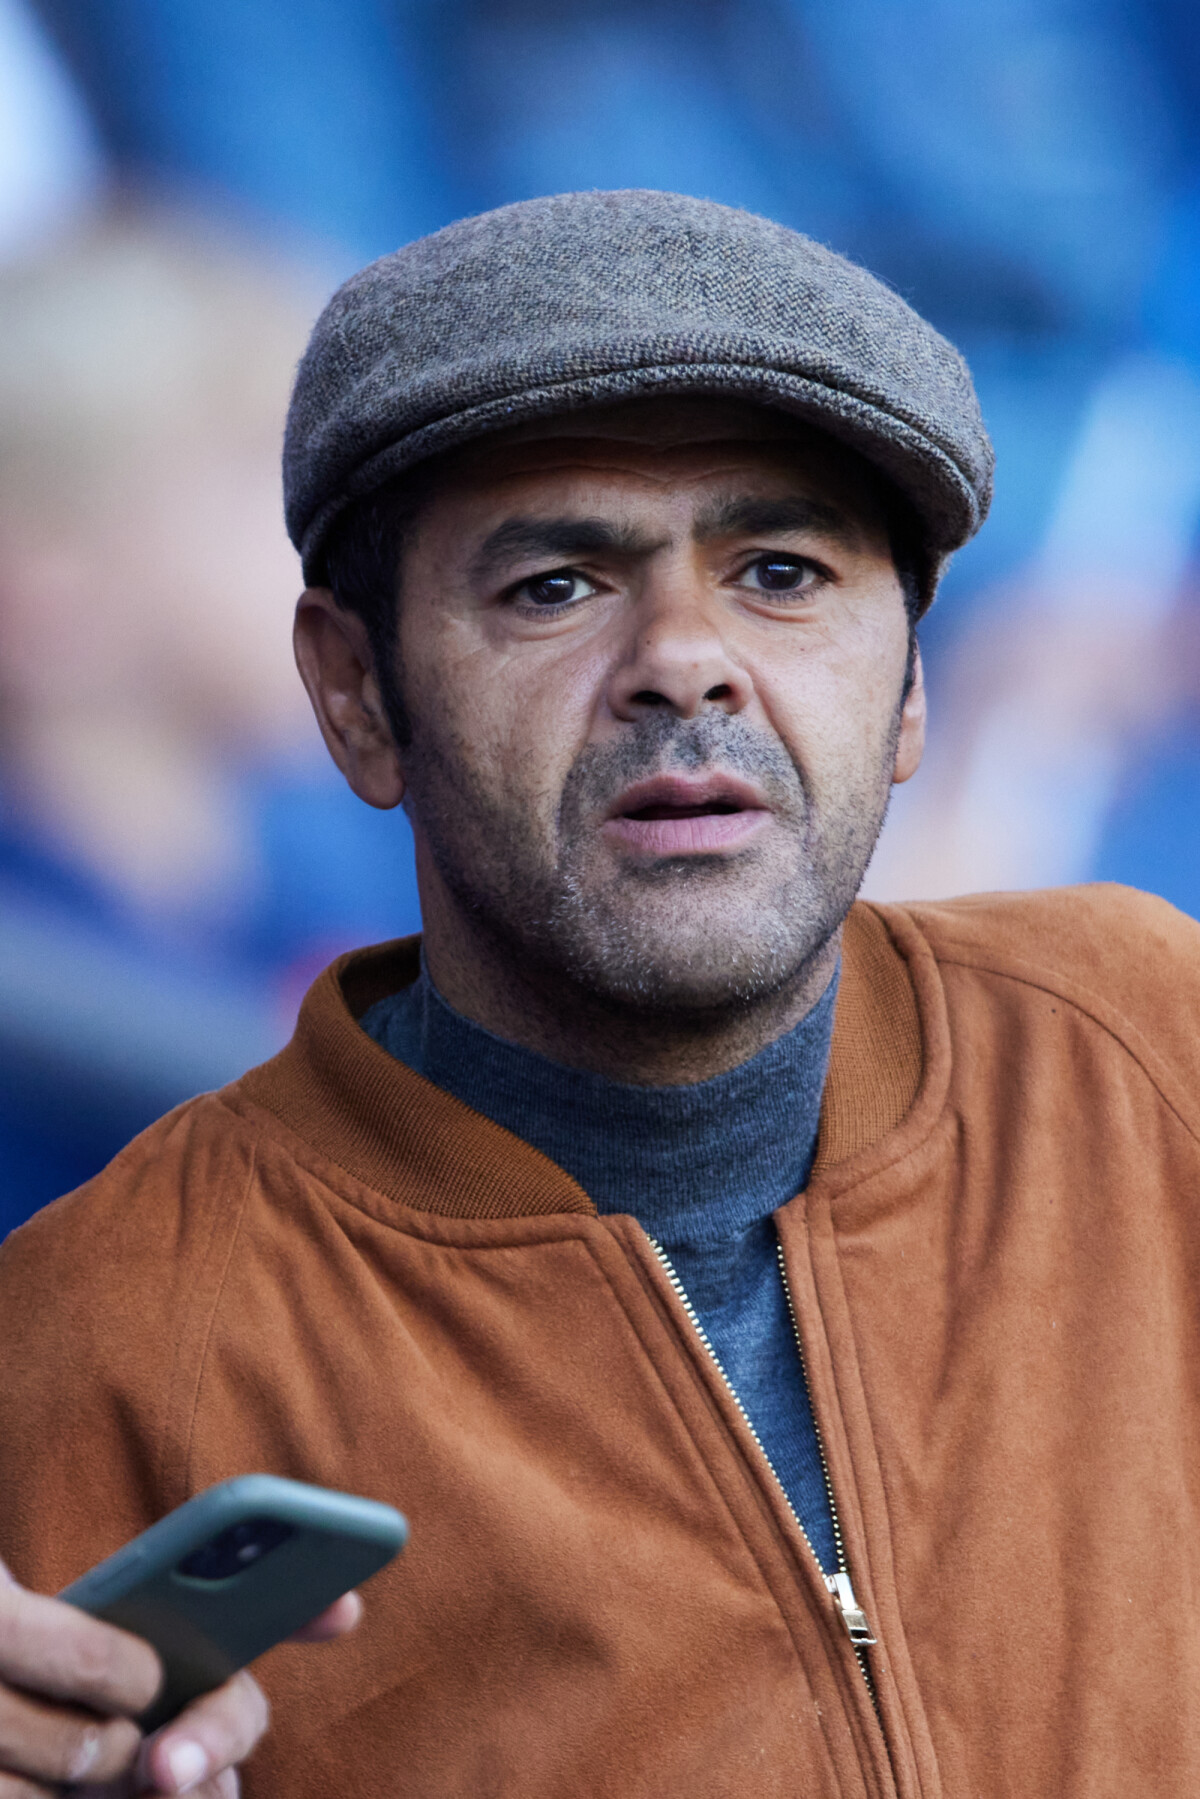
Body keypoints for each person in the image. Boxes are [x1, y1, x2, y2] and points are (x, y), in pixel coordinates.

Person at [1, 188, 1198, 1796]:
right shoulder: (98, 1342)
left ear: (914, 684)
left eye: (781, 571)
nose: (686, 659)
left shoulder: (1148, 1047)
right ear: (355, 695)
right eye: (556, 585)